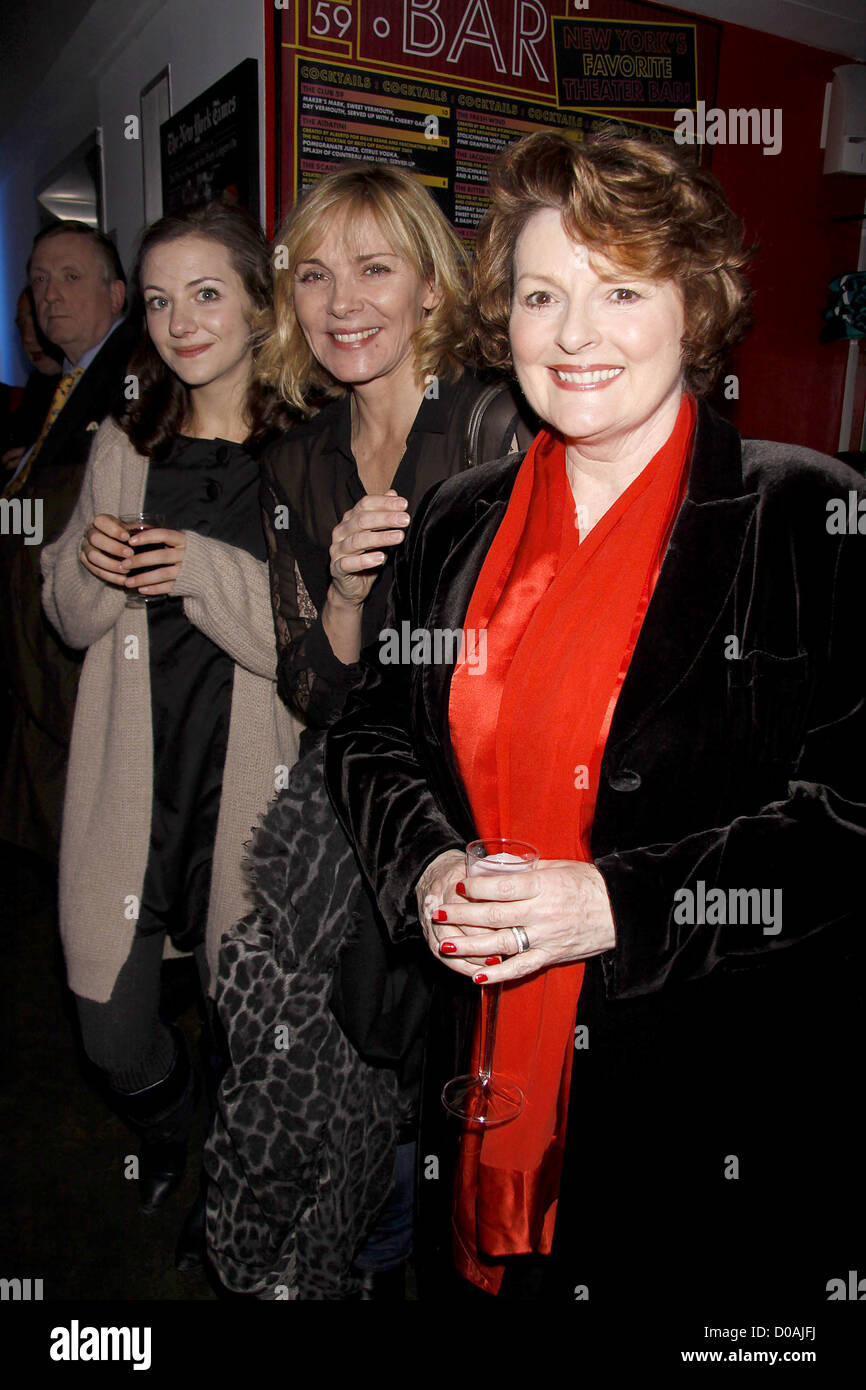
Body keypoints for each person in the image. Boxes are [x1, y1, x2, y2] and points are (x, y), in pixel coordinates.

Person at [325, 132, 866, 1307]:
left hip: (705, 1094)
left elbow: (854, 818)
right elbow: (368, 730)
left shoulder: (807, 515)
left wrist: (616, 902)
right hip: (471, 1056)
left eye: (619, 288)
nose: (573, 335)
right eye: (539, 294)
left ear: (695, 303)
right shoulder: (457, 518)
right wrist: (422, 866)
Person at [205, 162, 534, 1300]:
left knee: (469, 1092)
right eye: (312, 275)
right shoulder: (296, 458)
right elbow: (316, 693)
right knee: (355, 1085)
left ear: (430, 290)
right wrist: (343, 591)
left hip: (496, 826)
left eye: (373, 268)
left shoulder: (502, 426)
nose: (341, 300)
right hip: (363, 825)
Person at [40, 201, 301, 1268]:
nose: (181, 320)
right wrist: (90, 573)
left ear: (254, 298)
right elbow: (66, 618)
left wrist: (201, 568)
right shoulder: (122, 439)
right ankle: (166, 1117)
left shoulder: (306, 453)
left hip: (251, 787)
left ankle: (230, 1186)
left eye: (205, 292)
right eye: (157, 299)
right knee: (110, 1028)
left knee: (255, 1041)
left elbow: (316, 654)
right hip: (132, 782)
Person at [0, 222, 137, 860]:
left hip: (81, 656)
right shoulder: (60, 386)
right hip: (41, 645)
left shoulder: (133, 380)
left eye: (71, 277)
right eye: (39, 281)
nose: (50, 294)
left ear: (117, 295)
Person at [1, 287, 63, 473]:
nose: (27, 338)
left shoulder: (99, 380)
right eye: (21, 326)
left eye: (36, 323)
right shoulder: (38, 383)